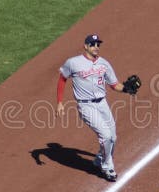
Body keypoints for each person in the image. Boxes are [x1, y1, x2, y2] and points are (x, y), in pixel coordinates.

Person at [56, 34, 132, 182]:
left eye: (98, 44)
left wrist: (126, 89)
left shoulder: (104, 64)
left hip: (102, 103)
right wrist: (59, 102)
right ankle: (107, 166)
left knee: (113, 137)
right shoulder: (73, 63)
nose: (96, 47)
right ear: (85, 46)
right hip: (86, 105)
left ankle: (99, 159)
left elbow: (114, 84)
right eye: (92, 44)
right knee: (106, 135)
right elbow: (62, 79)